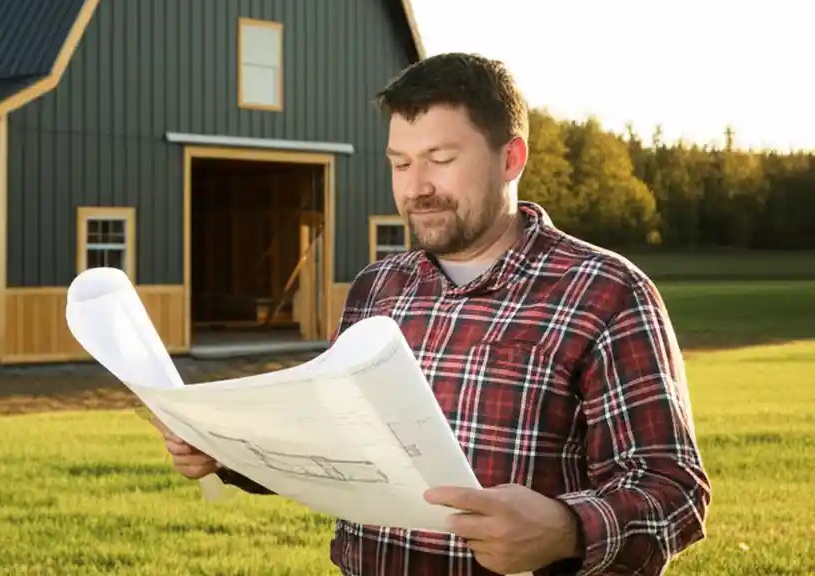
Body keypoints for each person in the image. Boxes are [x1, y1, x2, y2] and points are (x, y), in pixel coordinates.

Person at [153, 53, 711, 575]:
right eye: (400, 163)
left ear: (511, 157)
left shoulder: (606, 291)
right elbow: (330, 452)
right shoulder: (376, 290)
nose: (416, 187)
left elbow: (674, 491)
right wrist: (224, 449)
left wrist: (568, 530)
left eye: (441, 160)